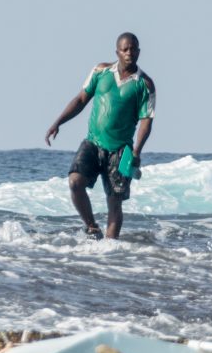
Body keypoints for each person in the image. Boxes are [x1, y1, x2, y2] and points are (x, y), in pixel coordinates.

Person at [44, 33, 155, 239]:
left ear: (139, 52)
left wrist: (137, 151)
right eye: (125, 49)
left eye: (133, 49)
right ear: (117, 52)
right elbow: (80, 99)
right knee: (75, 182)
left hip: (121, 149)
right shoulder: (101, 71)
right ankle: (92, 226)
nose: (129, 52)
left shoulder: (145, 84)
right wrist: (58, 122)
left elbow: (146, 121)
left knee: (114, 202)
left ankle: (109, 251)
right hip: (93, 143)